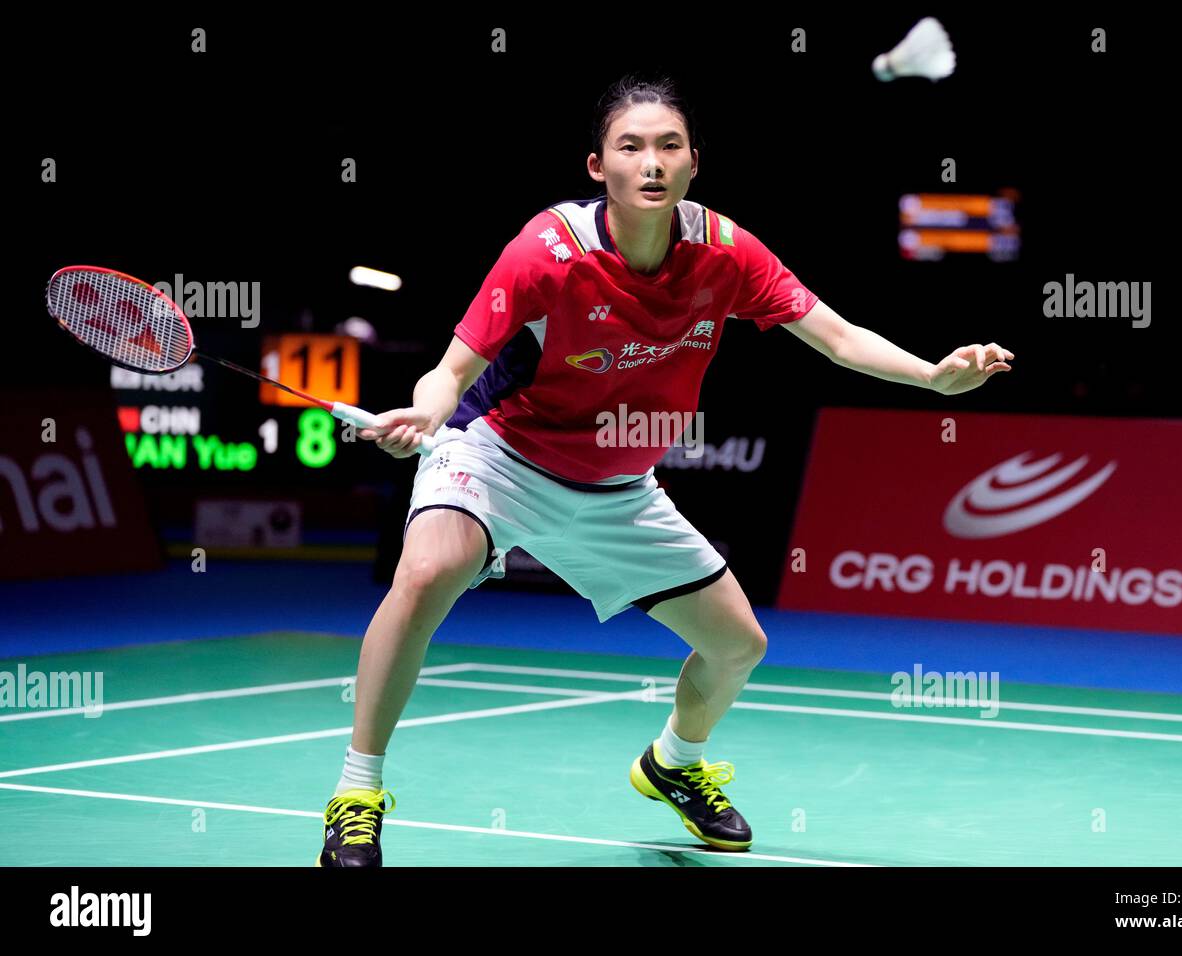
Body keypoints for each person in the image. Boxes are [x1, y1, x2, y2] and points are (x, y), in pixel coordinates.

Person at [317, 73, 1013, 866]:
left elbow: (839, 336)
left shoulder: (726, 252)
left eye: (668, 146)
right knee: (428, 571)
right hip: (503, 455)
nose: (651, 162)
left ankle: (672, 767)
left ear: (691, 164)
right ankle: (356, 793)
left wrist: (931, 375)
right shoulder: (546, 252)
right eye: (631, 147)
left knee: (738, 647)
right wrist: (424, 416)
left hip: (618, 489)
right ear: (596, 167)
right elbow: (450, 371)